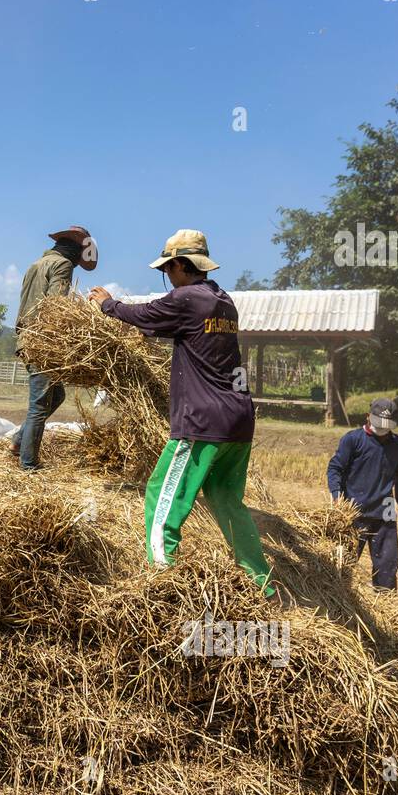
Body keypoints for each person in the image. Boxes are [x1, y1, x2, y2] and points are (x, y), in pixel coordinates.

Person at [86, 228, 273, 595]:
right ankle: (261, 583)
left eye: (167, 269)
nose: (167, 276)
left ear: (181, 265)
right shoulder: (223, 301)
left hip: (203, 422)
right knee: (226, 501)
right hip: (239, 421)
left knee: (161, 495)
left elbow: (142, 313)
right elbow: (185, 331)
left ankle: (162, 583)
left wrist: (108, 305)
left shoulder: (186, 298)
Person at [11, 225, 98, 469]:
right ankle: (28, 464)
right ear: (76, 250)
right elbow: (55, 306)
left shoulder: (36, 265)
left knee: (56, 395)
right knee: (39, 406)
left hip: (26, 338)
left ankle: (18, 441)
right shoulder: (63, 265)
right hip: (42, 343)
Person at [326, 398, 398, 591]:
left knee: (388, 565)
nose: (382, 429)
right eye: (379, 423)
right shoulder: (353, 440)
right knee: (344, 563)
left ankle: (385, 600)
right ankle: (339, 596)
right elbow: (335, 469)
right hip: (354, 512)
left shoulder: (397, 444)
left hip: (385, 513)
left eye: (386, 425)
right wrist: (336, 495)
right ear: (368, 417)